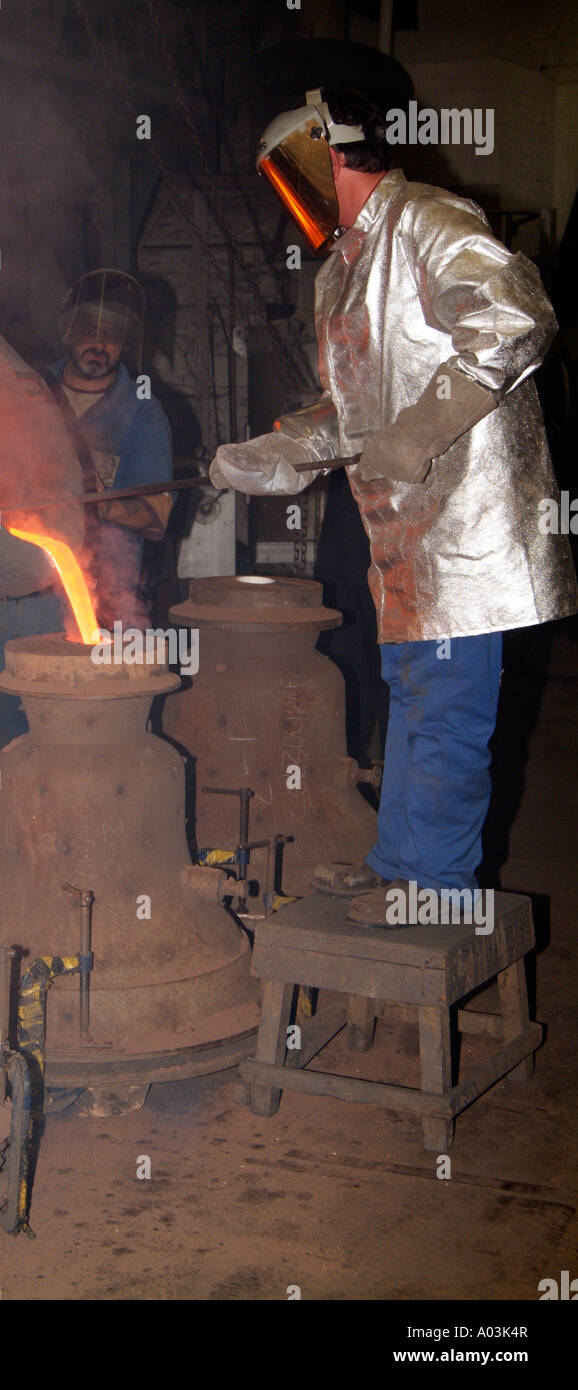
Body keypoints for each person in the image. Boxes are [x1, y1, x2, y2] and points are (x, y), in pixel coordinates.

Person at [210, 87, 577, 926]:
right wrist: (277, 450)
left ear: (326, 153)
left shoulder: (427, 220)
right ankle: (400, 866)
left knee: (447, 710)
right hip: (403, 535)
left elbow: (517, 317)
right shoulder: (340, 274)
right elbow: (346, 411)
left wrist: (425, 428)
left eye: (290, 176)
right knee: (413, 692)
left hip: (467, 529)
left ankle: (437, 893)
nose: (288, 199)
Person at [0, 269, 173, 742]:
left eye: (114, 334)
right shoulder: (26, 394)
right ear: (67, 330)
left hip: (106, 606)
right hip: (21, 608)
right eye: (89, 329)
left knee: (100, 742)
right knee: (17, 742)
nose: (99, 343)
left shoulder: (141, 412)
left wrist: (77, 505)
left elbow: (155, 516)